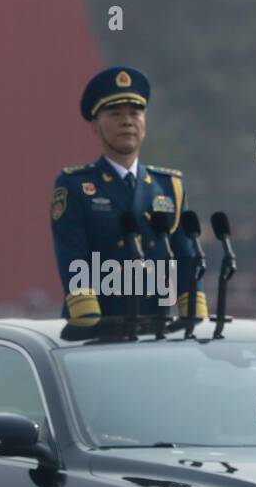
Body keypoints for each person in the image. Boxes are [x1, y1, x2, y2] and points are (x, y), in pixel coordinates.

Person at [50, 66, 207, 327]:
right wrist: (90, 320)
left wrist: (194, 317)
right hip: (96, 328)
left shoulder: (169, 186)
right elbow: (73, 257)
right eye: (115, 114)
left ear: (145, 125)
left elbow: (185, 257)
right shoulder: (75, 186)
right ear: (95, 127)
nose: (127, 122)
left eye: (135, 113)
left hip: (154, 326)